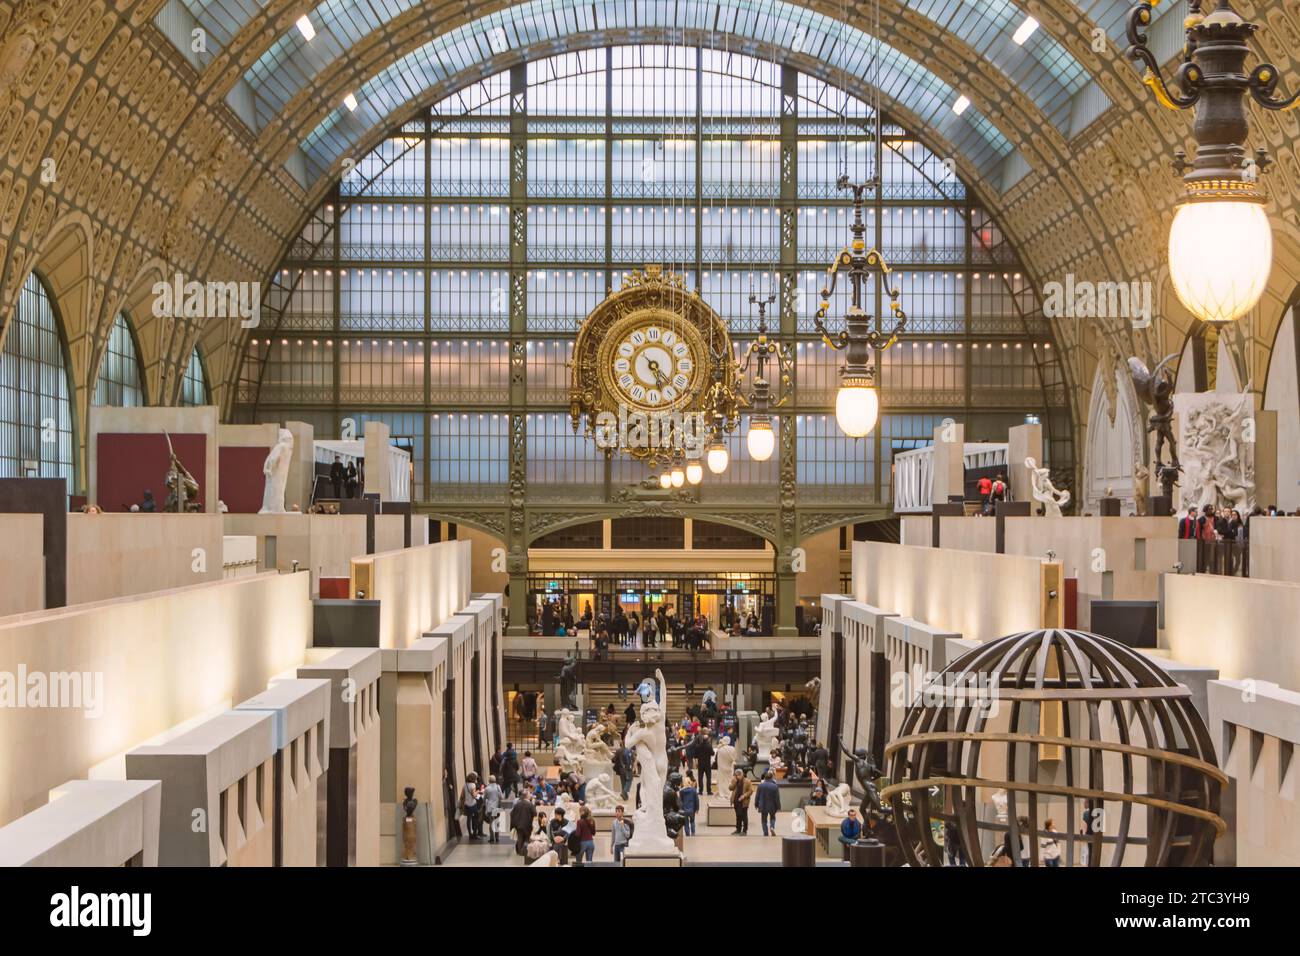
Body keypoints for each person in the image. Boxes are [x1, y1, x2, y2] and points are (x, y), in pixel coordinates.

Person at [755, 770, 781, 836]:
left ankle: (765, 832)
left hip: (763, 805)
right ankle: (772, 827)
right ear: (771, 778)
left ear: (765, 778)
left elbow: (757, 796)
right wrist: (778, 806)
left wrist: (756, 804)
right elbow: (777, 798)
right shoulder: (775, 786)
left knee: (764, 819)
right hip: (772, 805)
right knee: (772, 817)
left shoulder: (760, 786)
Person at [510, 788, 536, 856]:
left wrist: (514, 824)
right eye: (530, 794)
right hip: (527, 825)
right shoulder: (530, 805)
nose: (530, 795)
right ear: (527, 796)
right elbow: (535, 813)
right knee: (527, 838)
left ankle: (520, 852)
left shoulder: (517, 804)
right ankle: (525, 851)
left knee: (520, 838)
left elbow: (512, 813)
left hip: (518, 825)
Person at [690, 731, 714, 796]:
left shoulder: (698, 746)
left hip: (700, 763)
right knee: (708, 777)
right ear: (707, 739)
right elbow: (713, 753)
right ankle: (709, 791)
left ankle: (700, 791)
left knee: (700, 777)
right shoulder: (709, 746)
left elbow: (695, 756)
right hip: (707, 764)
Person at [731, 768, 754, 836]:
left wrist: (744, 796)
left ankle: (744, 830)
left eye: (739, 775)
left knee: (744, 816)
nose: (737, 777)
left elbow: (751, 790)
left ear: (742, 775)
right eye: (736, 775)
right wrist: (734, 783)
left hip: (744, 802)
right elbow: (730, 788)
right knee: (738, 816)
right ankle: (738, 829)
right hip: (736, 801)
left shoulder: (747, 781)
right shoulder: (735, 780)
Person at [482, 774, 503, 844]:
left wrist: (485, 804)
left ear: (489, 780)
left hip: (490, 808)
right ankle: (497, 838)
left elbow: (484, 798)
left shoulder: (487, 788)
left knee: (491, 823)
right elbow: (501, 797)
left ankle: (491, 838)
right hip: (497, 807)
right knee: (496, 822)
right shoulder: (498, 787)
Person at [461, 772, 482, 839]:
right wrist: (478, 792)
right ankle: (475, 833)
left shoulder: (465, 785)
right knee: (476, 818)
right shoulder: (473, 785)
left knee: (468, 819)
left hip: (466, 805)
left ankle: (470, 834)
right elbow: (474, 795)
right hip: (473, 804)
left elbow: (462, 795)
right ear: (473, 778)